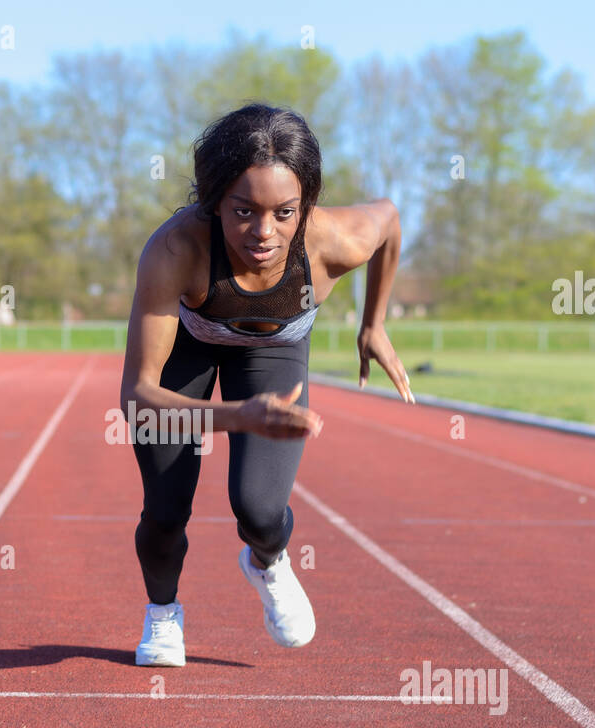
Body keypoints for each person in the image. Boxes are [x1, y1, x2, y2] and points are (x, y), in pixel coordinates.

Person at [120, 103, 413, 667]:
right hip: (189, 346)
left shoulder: (337, 241)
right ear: (213, 203)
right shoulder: (176, 250)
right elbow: (137, 397)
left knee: (257, 509)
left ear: (306, 205)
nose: (264, 232)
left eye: (284, 212)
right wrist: (236, 417)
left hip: (275, 349)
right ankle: (162, 616)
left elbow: (392, 219)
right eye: (243, 211)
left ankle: (268, 562)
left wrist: (373, 322)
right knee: (165, 507)